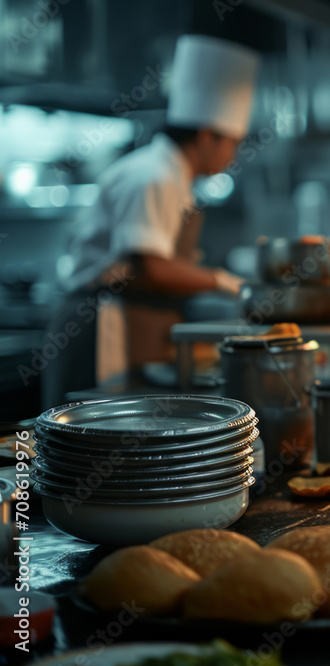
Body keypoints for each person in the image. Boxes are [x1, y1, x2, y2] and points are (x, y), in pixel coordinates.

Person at [41, 35, 258, 408]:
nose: (234, 156)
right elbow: (151, 267)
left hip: (133, 321)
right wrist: (227, 283)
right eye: (233, 143)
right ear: (207, 135)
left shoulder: (175, 178)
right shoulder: (154, 177)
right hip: (99, 328)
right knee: (84, 431)